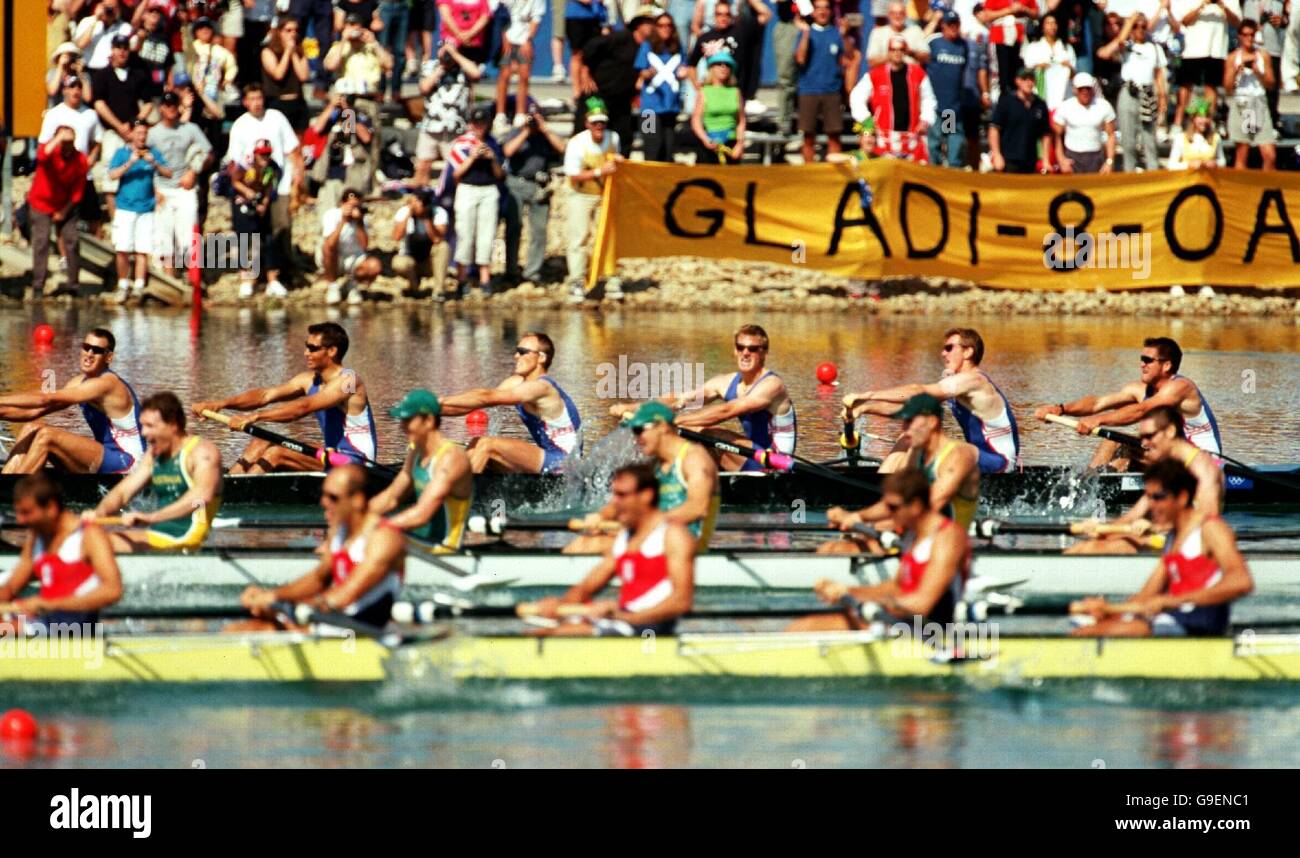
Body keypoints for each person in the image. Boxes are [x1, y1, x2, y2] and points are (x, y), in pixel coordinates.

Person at [1069, 460, 1253, 637]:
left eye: (1158, 497)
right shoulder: (1174, 536)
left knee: (1121, 630)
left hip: (1201, 627)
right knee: (1086, 626)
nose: (1151, 505)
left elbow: (1241, 582)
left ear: (1182, 497)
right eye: (1148, 497)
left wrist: (1171, 600)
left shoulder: (1210, 528)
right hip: (1172, 620)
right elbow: (1145, 596)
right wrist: (1109, 611)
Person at [517, 463, 695, 637]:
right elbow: (586, 588)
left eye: (622, 495)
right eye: (614, 494)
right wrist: (559, 605)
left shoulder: (673, 535)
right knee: (541, 630)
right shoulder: (625, 538)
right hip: (625, 623)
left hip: (650, 631)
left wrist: (624, 617)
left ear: (646, 496)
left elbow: (681, 602)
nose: (614, 503)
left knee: (550, 636)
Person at [789, 468, 970, 631]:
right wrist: (847, 591)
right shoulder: (913, 536)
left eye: (892, 507)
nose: (887, 513)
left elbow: (922, 604)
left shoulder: (947, 538)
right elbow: (896, 587)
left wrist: (871, 602)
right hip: (902, 621)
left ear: (915, 506)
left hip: (932, 631)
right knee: (805, 624)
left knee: (803, 628)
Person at [234, 465, 406, 631]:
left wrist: (278, 605)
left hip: (363, 634)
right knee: (242, 628)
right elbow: (318, 579)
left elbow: (345, 596)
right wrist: (273, 595)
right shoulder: (339, 532)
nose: (323, 502)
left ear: (357, 500)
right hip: (336, 625)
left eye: (333, 497)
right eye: (323, 494)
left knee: (250, 631)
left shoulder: (384, 538)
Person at [192, 322, 379, 474]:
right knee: (260, 440)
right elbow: (264, 396)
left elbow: (303, 408)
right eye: (306, 347)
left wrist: (254, 417)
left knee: (277, 453)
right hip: (332, 455)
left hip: (357, 462)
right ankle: (231, 481)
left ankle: (242, 492)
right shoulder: (308, 380)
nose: (306, 353)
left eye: (313, 348)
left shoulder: (349, 381)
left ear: (332, 351)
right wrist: (220, 404)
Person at [607, 324, 797, 473]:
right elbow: (680, 400)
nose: (745, 353)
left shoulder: (772, 385)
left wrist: (671, 422)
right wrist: (634, 408)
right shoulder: (724, 382)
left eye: (753, 349)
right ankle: (672, 471)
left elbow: (726, 411)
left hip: (775, 462)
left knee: (708, 433)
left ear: (764, 352)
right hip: (752, 456)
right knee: (689, 430)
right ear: (735, 350)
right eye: (741, 347)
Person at [841, 328, 1019, 474]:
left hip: (999, 463)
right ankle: (882, 483)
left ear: (967, 352)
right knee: (908, 436)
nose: (943, 353)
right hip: (978, 458)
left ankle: (898, 490)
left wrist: (868, 395)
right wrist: (865, 408)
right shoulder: (956, 382)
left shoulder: (974, 381)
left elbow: (917, 391)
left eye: (949, 348)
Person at [821, 394, 979, 554]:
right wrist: (856, 516)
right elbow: (895, 500)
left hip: (948, 548)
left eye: (910, 422)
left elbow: (927, 507)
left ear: (932, 422)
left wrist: (874, 525)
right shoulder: (917, 453)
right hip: (917, 540)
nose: (904, 429)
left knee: (839, 550)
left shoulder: (958, 456)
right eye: (903, 422)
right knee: (830, 548)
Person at [1034, 336, 1222, 469]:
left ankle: (1095, 486)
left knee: (1124, 448)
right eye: (1142, 359)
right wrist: (1060, 408)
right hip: (1172, 456)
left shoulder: (1181, 387)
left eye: (1148, 360)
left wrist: (1098, 421)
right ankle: (1090, 482)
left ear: (1166, 365)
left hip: (1203, 462)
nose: (1142, 364)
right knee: (1112, 441)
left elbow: (1141, 410)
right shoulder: (1139, 389)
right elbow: (1097, 403)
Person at [568, 401, 721, 554]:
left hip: (684, 547)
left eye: (640, 430)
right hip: (656, 539)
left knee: (588, 546)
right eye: (634, 431)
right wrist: (601, 516)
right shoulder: (655, 463)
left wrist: (647, 523)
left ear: (662, 427)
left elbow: (697, 508)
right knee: (585, 541)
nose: (636, 438)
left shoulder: (694, 459)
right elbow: (624, 498)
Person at [1067, 406, 1224, 554]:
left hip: (1193, 546)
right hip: (1165, 538)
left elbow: (1209, 523)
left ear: (1170, 431)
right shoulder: (1165, 468)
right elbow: (1132, 516)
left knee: (1091, 550)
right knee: (1085, 545)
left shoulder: (1203, 468)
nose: (1144, 444)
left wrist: (1156, 527)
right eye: (1142, 437)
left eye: (1149, 436)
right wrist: (1100, 529)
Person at [86, 392, 224, 553]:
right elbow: (123, 493)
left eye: (150, 426)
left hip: (187, 537)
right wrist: (98, 514)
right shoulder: (154, 454)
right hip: (159, 534)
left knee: (97, 544)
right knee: (87, 537)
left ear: (173, 424)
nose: (143, 432)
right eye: (142, 425)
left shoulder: (203, 452)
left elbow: (201, 498)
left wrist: (151, 517)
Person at [0, 329, 143, 475]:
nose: (89, 354)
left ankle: (16, 490)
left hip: (129, 463)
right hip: (108, 458)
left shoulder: (107, 383)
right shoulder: (79, 382)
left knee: (46, 435)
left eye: (97, 350)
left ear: (109, 357)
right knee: (31, 427)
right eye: (86, 347)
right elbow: (35, 411)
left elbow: (45, 397)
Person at [439, 332, 584, 473]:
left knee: (486, 444)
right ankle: (459, 485)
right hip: (548, 456)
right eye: (517, 351)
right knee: (476, 444)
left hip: (565, 462)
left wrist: (441, 400)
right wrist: (433, 410)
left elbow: (487, 396)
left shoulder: (542, 387)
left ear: (541, 357)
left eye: (522, 352)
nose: (516, 356)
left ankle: (459, 493)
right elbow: (476, 403)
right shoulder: (516, 383)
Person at [0, 473, 123, 634]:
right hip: (44, 626)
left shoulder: (89, 536)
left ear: (51, 508)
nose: (20, 520)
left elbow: (113, 590)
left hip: (77, 632)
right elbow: (11, 586)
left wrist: (49, 604)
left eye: (26, 512)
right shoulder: (36, 536)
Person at [225, 83, 303, 285]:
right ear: (245, 102)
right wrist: (242, 188)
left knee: (281, 226)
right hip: (251, 186)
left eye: (259, 98)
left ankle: (284, 269)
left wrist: (298, 181)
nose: (256, 103)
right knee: (253, 229)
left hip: (279, 182)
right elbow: (234, 161)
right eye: (251, 99)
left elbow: (294, 150)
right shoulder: (240, 125)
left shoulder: (276, 118)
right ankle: (255, 271)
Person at [575, 6, 656, 158]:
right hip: (599, 93)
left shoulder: (650, 48)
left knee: (624, 137)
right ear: (638, 24)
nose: (651, 27)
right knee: (584, 132)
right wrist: (585, 73)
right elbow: (589, 48)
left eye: (653, 23)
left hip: (622, 100)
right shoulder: (620, 38)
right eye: (647, 22)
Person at [106, 118, 173, 303]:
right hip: (125, 207)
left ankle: (139, 285)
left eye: (145, 133)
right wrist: (130, 162)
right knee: (123, 248)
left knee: (143, 249)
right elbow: (111, 175)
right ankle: (122, 284)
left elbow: (169, 173)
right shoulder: (122, 153)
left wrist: (155, 164)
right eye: (139, 133)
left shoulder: (153, 153)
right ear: (132, 135)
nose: (142, 137)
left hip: (146, 208)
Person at [148, 91, 213, 279]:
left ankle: (192, 276)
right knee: (165, 236)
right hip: (162, 187)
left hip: (185, 187)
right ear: (161, 108)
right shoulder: (153, 134)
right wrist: (153, 189)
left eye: (175, 105)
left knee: (188, 234)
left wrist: (193, 171)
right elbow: (145, 161)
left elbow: (208, 153)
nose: (172, 109)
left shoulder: (190, 129)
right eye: (168, 105)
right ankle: (170, 277)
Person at [562, 99, 622, 302]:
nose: (599, 126)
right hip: (580, 194)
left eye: (602, 122)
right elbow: (573, 175)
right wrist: (599, 171)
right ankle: (577, 280)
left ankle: (611, 278)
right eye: (595, 122)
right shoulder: (577, 143)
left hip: (604, 195)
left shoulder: (613, 138)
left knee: (608, 237)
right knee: (579, 238)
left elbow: (615, 164)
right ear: (587, 123)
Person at [501, 102, 565, 284]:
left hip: (539, 185)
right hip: (516, 183)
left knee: (539, 231)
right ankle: (511, 270)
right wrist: (526, 132)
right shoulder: (516, 132)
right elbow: (507, 151)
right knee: (514, 228)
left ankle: (533, 272)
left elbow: (562, 148)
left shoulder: (546, 135)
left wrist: (544, 129)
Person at [91, 33, 151, 220]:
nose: (122, 52)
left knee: (136, 171)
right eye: (118, 47)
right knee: (111, 175)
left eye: (125, 48)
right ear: (112, 50)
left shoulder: (138, 74)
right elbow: (99, 104)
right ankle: (115, 218)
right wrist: (119, 126)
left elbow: (148, 103)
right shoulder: (102, 75)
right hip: (112, 132)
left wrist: (135, 124)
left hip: (134, 133)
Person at [25, 126, 89, 301]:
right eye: (64, 142)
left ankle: (73, 285)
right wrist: (58, 138)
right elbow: (41, 157)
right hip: (41, 201)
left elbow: (78, 191)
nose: (67, 146)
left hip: (65, 203)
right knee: (41, 241)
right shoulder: (49, 150)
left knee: (72, 240)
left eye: (70, 142)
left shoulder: (80, 159)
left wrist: (64, 211)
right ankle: (38, 284)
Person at [447, 104, 505, 296]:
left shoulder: (493, 143)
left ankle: (485, 279)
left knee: (486, 235)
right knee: (465, 234)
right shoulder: (462, 144)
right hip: (467, 188)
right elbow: (456, 175)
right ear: (471, 124)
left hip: (488, 190)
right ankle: (462, 279)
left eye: (483, 123)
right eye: (477, 123)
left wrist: (491, 158)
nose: (480, 127)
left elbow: (500, 174)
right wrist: (471, 158)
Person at [849, 35, 936, 162]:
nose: (897, 53)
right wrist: (867, 120)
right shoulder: (875, 74)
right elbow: (856, 97)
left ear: (905, 52)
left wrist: (925, 120)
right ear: (888, 52)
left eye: (901, 49)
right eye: (893, 49)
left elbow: (929, 99)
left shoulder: (918, 74)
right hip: (884, 138)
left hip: (912, 138)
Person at [1098, 13, 1167, 171]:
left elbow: (1159, 74)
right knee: (1128, 141)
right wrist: (1129, 23)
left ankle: (1153, 173)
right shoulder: (1127, 46)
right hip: (1129, 91)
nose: (1140, 30)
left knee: (1149, 139)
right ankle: (1129, 172)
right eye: (1137, 27)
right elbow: (1109, 50)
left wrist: (1162, 98)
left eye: (1143, 26)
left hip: (1147, 93)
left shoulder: (1154, 48)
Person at [413, 40, 482, 185]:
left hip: (455, 129)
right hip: (431, 126)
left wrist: (456, 56)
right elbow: (424, 88)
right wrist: (441, 67)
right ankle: (420, 197)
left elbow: (476, 74)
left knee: (455, 168)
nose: (446, 53)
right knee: (423, 165)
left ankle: (451, 200)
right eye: (443, 49)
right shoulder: (430, 66)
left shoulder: (464, 68)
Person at [1170, 0, 1241, 129]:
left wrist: (1222, 5)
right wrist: (1202, 4)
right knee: (1185, 87)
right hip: (1193, 50)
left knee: (1211, 87)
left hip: (1216, 49)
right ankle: (1178, 124)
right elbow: (1184, 21)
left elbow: (1236, 22)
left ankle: (1210, 122)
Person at [230, 138, 286, 300]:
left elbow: (270, 185)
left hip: (260, 200)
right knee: (244, 238)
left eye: (267, 154)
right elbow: (235, 181)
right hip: (241, 200)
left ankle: (272, 280)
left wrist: (265, 203)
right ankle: (245, 279)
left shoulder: (272, 167)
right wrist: (247, 193)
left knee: (267, 238)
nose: (264, 157)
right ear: (255, 154)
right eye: (261, 154)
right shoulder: (245, 164)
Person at [794, 0, 849, 164]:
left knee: (834, 136)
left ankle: (832, 178)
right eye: (818, 8)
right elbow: (800, 59)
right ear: (813, 12)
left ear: (831, 11)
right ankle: (810, 175)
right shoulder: (806, 33)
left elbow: (850, 58)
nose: (822, 12)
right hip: (808, 91)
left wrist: (845, 35)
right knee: (809, 137)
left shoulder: (836, 33)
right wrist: (805, 34)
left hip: (832, 91)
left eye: (826, 8)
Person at [308, 89, 378, 214]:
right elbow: (316, 129)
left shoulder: (361, 116)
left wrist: (347, 111)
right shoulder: (331, 116)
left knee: (352, 217)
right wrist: (331, 106)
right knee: (327, 217)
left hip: (353, 177)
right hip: (330, 177)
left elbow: (366, 137)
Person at [1224, 17, 1278, 169]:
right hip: (1242, 103)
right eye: (1245, 35)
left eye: (1252, 35)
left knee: (1269, 155)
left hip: (1259, 102)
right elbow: (1227, 87)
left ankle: (1269, 188)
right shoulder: (1233, 57)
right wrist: (1237, 71)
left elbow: (1271, 83)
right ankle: (1241, 191)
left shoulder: (1263, 55)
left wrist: (1258, 72)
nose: (1249, 38)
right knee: (1242, 153)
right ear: (1240, 36)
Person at [635, 12, 688, 162]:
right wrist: (648, 73)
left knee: (668, 148)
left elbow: (684, 68)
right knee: (651, 147)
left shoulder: (678, 47)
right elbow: (640, 72)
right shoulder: (647, 46)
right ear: (655, 28)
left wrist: (684, 73)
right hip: (649, 110)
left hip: (671, 108)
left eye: (669, 25)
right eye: (661, 25)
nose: (665, 29)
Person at [923, 10, 971, 167]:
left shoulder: (962, 45)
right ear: (943, 25)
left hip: (951, 109)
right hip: (935, 105)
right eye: (950, 24)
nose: (953, 27)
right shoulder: (934, 42)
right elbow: (917, 48)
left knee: (952, 147)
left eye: (956, 24)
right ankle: (933, 179)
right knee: (934, 145)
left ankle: (952, 179)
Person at [987, 65, 1052, 172]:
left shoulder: (1040, 104)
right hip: (1008, 159)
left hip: (1031, 160)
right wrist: (997, 155)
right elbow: (994, 128)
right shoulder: (1006, 102)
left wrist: (1045, 160)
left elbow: (1046, 134)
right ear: (1017, 81)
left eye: (1031, 79)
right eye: (1025, 79)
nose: (1028, 82)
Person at [494, 0, 546, 131]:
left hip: (524, 41)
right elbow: (501, 15)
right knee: (504, 75)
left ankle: (520, 115)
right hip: (506, 38)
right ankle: (500, 115)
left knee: (524, 76)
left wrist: (528, 40)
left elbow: (536, 18)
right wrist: (504, 39)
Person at [1052, 72, 1117, 174]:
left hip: (1095, 157)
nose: (1085, 92)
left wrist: (1109, 161)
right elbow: (1056, 135)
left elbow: (1111, 135)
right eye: (1081, 89)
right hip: (1073, 157)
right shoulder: (1065, 107)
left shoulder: (1103, 106)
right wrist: (1061, 159)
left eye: (1088, 88)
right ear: (1074, 90)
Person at [324, 12, 395, 101]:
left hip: (368, 97)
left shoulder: (371, 47)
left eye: (356, 25)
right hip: (346, 99)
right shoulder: (338, 47)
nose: (354, 29)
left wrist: (375, 43)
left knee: (366, 110)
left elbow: (389, 65)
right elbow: (331, 66)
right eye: (350, 25)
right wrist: (343, 40)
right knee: (349, 113)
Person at [691, 52, 747, 163]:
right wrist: (705, 139)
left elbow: (741, 120)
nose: (723, 67)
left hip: (731, 143)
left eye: (727, 64)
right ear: (711, 68)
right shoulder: (704, 92)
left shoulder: (735, 92)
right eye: (719, 64)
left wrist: (740, 144)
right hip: (710, 143)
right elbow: (696, 119)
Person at [391, 191, 451, 295]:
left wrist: (426, 219)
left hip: (429, 262)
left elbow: (437, 239)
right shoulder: (404, 212)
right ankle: (414, 287)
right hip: (410, 260)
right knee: (399, 263)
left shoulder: (438, 213)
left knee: (444, 247)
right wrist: (409, 213)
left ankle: (439, 290)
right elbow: (396, 237)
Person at [262, 16, 312, 132]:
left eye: (295, 30)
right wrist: (287, 52)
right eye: (288, 30)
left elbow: (303, 76)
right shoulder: (268, 51)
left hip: (297, 102)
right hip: (278, 102)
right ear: (280, 32)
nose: (292, 34)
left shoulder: (300, 52)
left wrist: (294, 54)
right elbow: (278, 74)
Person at [1021, 12, 1076, 111]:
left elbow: (1074, 75)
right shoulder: (1033, 47)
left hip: (1063, 94)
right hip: (1040, 92)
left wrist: (1068, 67)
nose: (1052, 26)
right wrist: (1038, 66)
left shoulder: (1066, 48)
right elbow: (1026, 71)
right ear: (1042, 27)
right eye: (1048, 23)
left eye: (1054, 23)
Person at [977, 0, 1037, 88]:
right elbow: (987, 15)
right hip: (1000, 39)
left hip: (1020, 39)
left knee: (1019, 74)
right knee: (1002, 75)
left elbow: (1036, 13)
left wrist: (1023, 9)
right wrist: (1009, 10)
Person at [189, 16, 239, 108]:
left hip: (212, 92)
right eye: (201, 27)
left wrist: (227, 79)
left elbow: (232, 65)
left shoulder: (220, 51)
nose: (205, 30)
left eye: (208, 27)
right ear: (196, 32)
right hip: (193, 93)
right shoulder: (190, 47)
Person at [1167, 97, 1226, 168]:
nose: (1204, 120)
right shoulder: (1181, 138)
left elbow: (1222, 161)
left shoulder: (1216, 137)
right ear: (1193, 119)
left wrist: (1215, 163)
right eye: (1200, 117)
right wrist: (1188, 165)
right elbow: (1171, 164)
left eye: (1206, 117)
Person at [866, 0, 931, 67]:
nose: (897, 16)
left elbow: (926, 58)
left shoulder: (915, 31)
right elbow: (871, 62)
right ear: (888, 15)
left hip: (911, 74)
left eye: (901, 13)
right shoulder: (878, 33)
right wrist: (893, 54)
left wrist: (910, 52)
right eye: (893, 13)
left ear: (906, 14)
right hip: (885, 75)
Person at [74, 0, 134, 71]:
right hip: (88, 69)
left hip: (111, 71)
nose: (109, 10)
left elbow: (131, 49)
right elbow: (81, 44)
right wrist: (96, 19)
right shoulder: (88, 21)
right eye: (107, 7)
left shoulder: (125, 27)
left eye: (113, 7)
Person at [438, 0, 495, 66]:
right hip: (451, 39)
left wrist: (469, 34)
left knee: (473, 71)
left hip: (473, 42)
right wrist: (459, 34)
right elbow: (446, 16)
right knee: (446, 58)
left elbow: (485, 17)